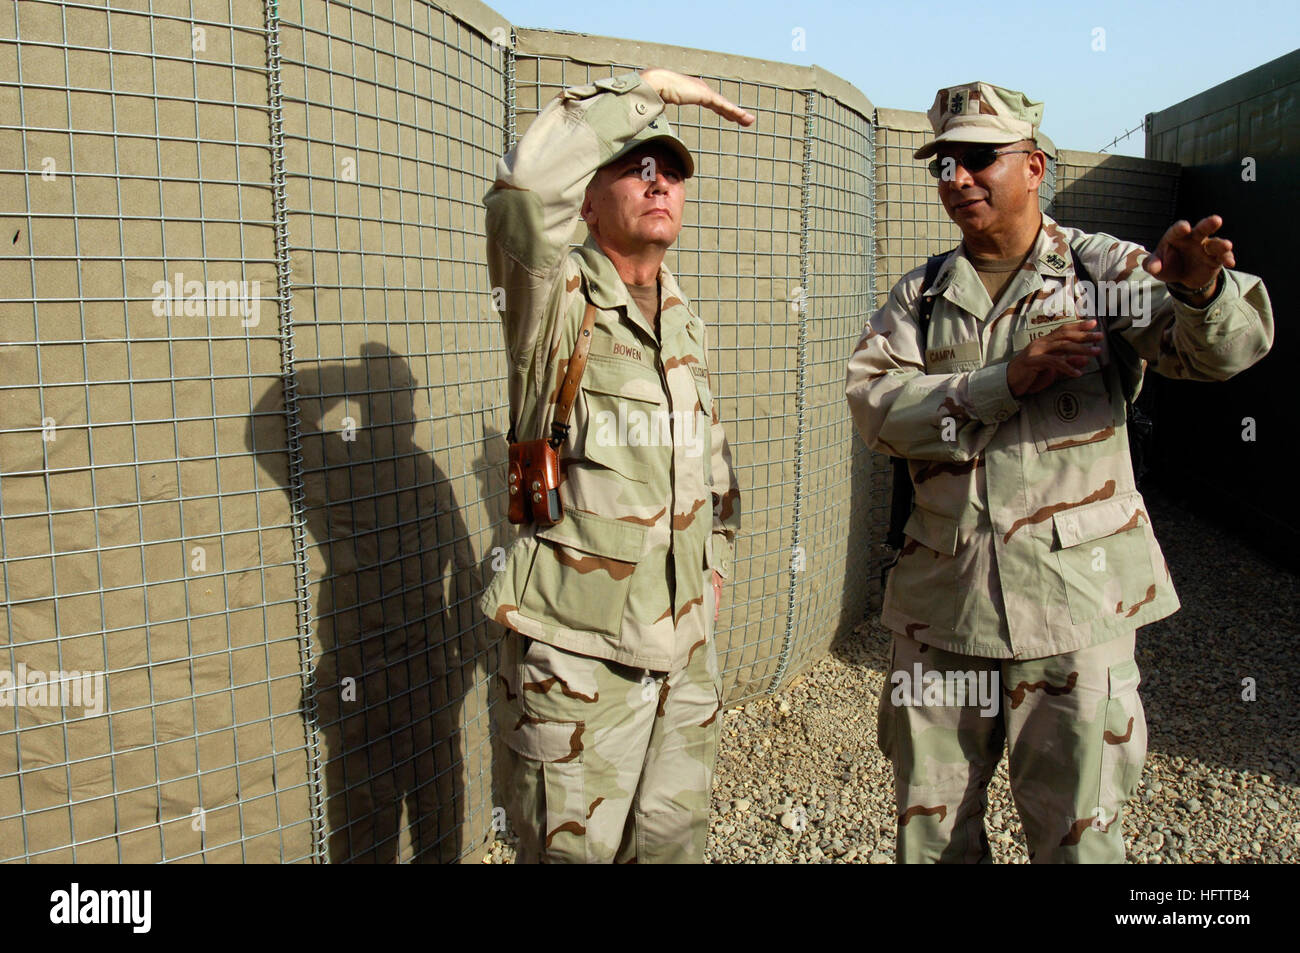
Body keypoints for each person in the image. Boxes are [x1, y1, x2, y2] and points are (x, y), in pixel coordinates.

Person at [845, 81, 1274, 863]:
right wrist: (1000, 381)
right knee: (932, 836)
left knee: (1080, 839)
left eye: (979, 158)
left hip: (1077, 609)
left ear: (1035, 165)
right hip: (946, 613)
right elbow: (876, 411)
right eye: (943, 164)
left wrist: (1198, 290)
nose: (958, 179)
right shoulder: (922, 295)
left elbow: (1221, 353)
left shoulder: (1101, 268)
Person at [479, 68, 751, 863]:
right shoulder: (554, 302)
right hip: (578, 665)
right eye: (634, 166)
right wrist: (649, 92)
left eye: (670, 170)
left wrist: (716, 568)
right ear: (588, 200)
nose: (658, 180)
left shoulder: (684, 319)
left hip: (682, 666)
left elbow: (715, 466)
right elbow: (525, 193)